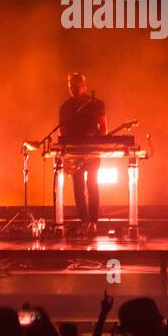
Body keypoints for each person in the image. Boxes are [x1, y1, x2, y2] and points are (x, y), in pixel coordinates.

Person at [58, 72, 106, 232]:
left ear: (84, 87)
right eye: (71, 88)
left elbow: (103, 126)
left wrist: (100, 143)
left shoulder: (96, 104)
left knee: (92, 184)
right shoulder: (65, 107)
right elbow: (62, 132)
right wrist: (65, 153)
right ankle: (84, 221)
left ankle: (93, 221)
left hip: (92, 150)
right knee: (78, 188)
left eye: (77, 87)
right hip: (74, 152)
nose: (74, 90)